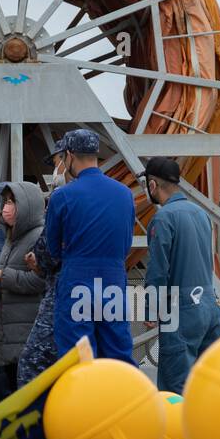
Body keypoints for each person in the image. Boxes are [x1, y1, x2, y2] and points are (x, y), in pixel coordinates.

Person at [42, 129, 135, 362]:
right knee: (118, 355)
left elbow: (52, 250)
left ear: (70, 155)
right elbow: (126, 244)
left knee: (79, 358)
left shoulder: (62, 196)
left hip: (76, 280)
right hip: (113, 280)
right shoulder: (125, 194)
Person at [142, 156, 220, 393]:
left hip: (182, 314)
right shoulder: (201, 214)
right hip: (210, 308)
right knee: (204, 388)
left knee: (174, 390)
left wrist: (150, 310)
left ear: (152, 186)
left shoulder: (163, 218)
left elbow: (158, 271)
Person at [0, 181, 46, 402]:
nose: (5, 208)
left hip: (24, 339)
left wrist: (5, 276)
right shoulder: (11, 239)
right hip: (4, 337)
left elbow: (41, 281)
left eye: (12, 201)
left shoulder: (39, 237)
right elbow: (1, 283)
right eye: (5, 201)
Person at [16, 233, 61, 387]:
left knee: (32, 365)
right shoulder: (123, 209)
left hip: (63, 294)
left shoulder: (60, 209)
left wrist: (4, 277)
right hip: (109, 287)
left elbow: (48, 254)